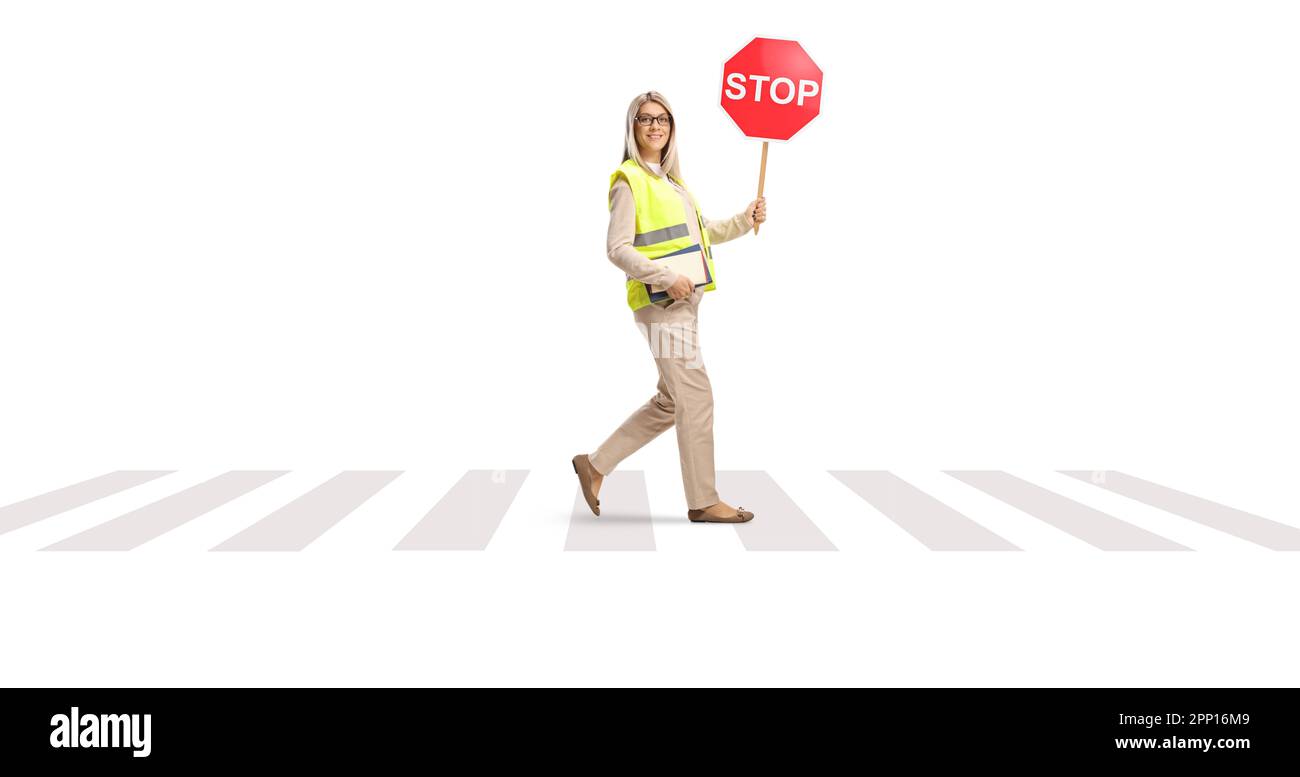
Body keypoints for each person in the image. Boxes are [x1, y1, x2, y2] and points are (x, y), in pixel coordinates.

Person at [572, 90, 767, 523]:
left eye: (663, 119)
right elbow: (616, 248)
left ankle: (595, 465)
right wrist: (666, 278)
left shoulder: (671, 181)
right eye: (645, 119)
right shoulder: (629, 180)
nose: (655, 126)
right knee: (696, 397)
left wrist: (744, 219)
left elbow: (702, 234)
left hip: (683, 303)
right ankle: (703, 500)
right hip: (661, 303)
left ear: (671, 128)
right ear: (633, 127)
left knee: (672, 400)